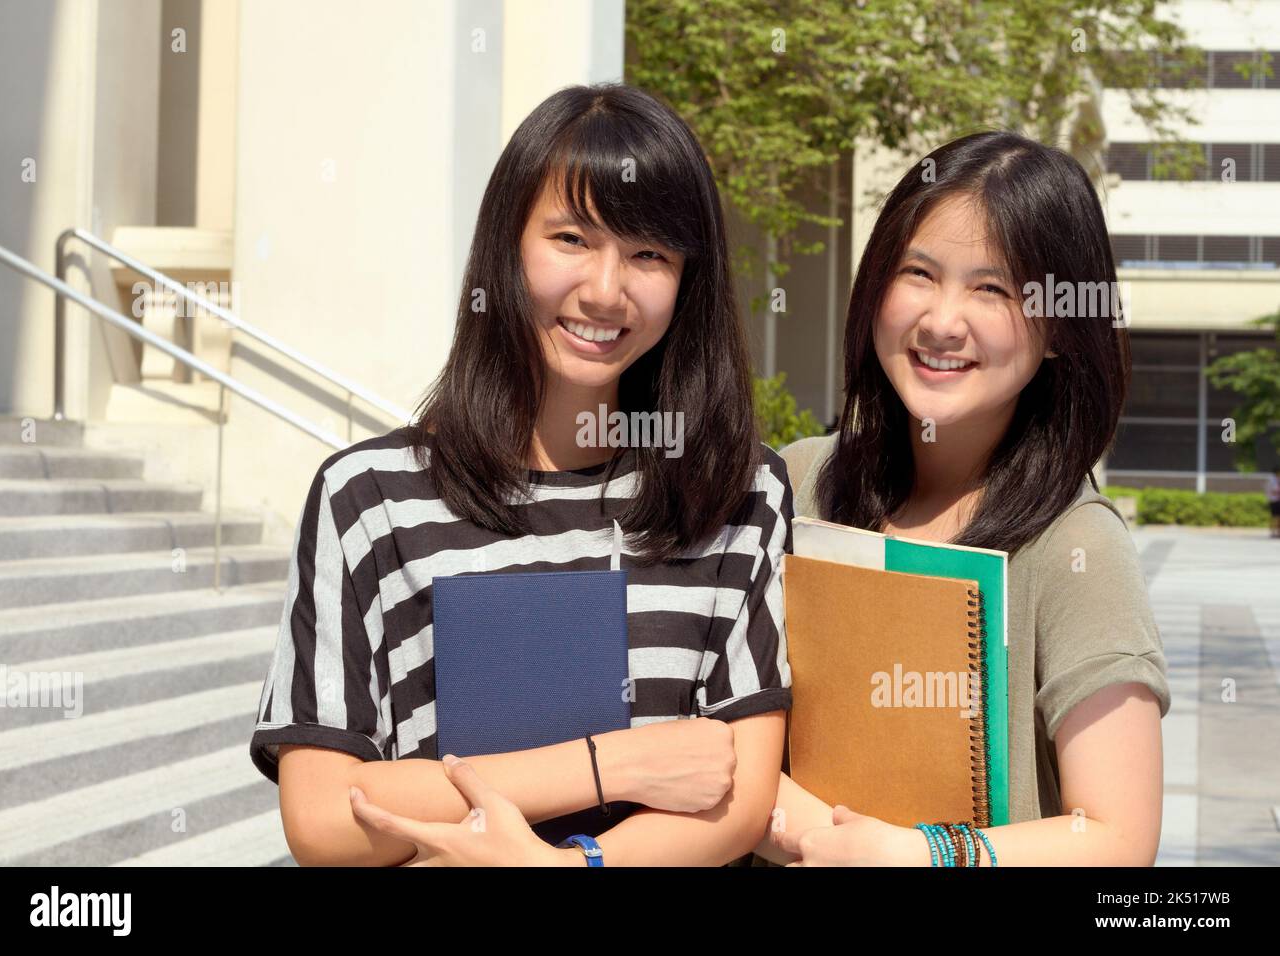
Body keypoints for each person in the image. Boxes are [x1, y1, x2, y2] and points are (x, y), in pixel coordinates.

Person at [249, 83, 792, 866]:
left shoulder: (740, 494)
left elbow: (739, 802)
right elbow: (327, 818)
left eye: (648, 254)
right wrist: (615, 763)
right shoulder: (369, 499)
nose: (606, 290)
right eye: (571, 238)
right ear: (507, 244)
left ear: (687, 280)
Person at [767, 131, 1171, 866]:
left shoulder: (1076, 548)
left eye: (992, 289)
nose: (942, 321)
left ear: (1057, 331)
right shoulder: (793, 484)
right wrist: (798, 823)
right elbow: (718, 728)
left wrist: (916, 856)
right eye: (918, 273)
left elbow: (1118, 836)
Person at [1267, 467, 1280, 538]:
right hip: (1274, 501)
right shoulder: (1272, 479)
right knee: (1274, 517)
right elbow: (1274, 490)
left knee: (1278, 517)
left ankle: (1278, 532)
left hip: (1278, 501)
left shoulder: (1277, 479)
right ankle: (1273, 532)